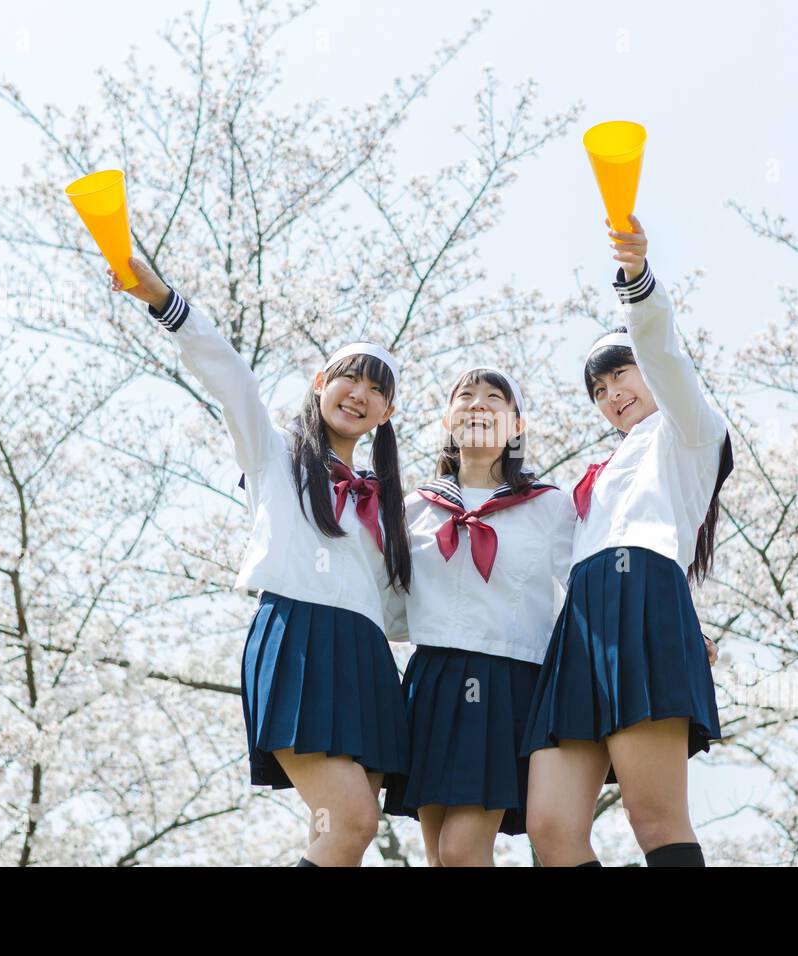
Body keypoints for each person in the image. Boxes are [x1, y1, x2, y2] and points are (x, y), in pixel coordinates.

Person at [109, 257, 412, 867]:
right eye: (351, 378)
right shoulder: (275, 458)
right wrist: (166, 301)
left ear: (387, 414)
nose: (361, 394)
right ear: (321, 380)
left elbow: (414, 607)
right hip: (300, 639)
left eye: (377, 389)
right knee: (352, 823)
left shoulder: (389, 507)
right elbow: (233, 380)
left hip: (368, 660)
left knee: (334, 836)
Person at [520, 214, 733, 867]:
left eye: (622, 376)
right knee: (551, 831)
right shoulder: (591, 484)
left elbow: (664, 352)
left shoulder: (689, 432)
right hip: (579, 623)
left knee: (654, 817)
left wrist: (637, 280)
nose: (613, 394)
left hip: (642, 597)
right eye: (600, 389)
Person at [378, 365, 576, 865]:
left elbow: (588, 586)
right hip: (430, 678)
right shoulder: (412, 510)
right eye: (465, 396)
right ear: (448, 419)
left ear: (517, 427)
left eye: (495, 398)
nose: (478, 404)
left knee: (462, 851)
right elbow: (391, 609)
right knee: (438, 857)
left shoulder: (550, 507)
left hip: (504, 677)